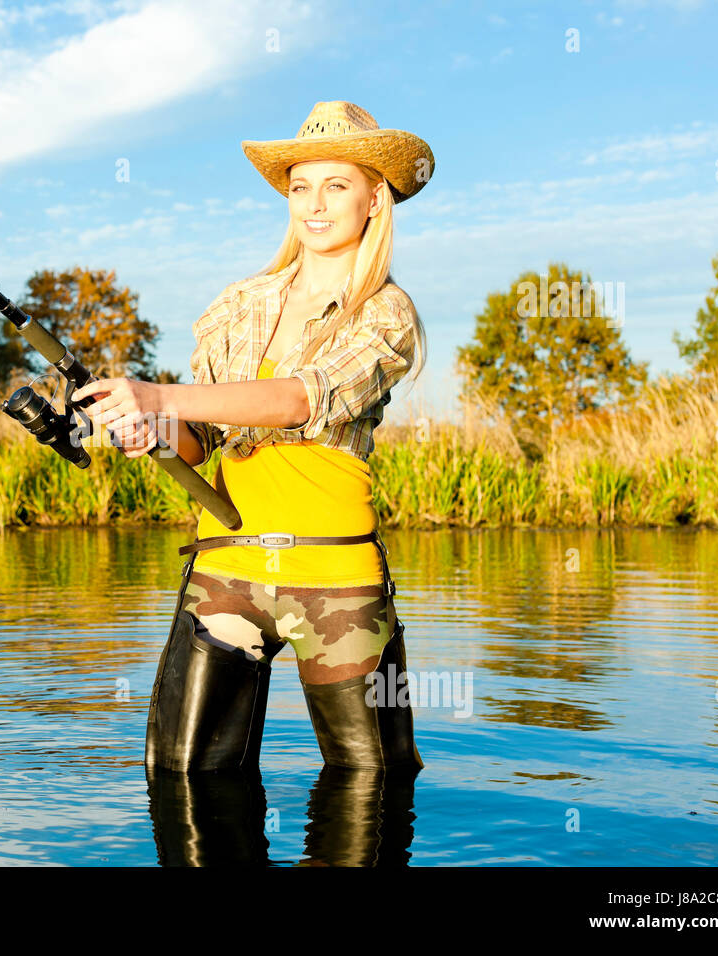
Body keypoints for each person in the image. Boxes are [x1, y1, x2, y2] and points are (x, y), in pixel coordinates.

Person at [71, 101, 433, 774]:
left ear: (375, 197)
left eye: (336, 185)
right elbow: (197, 440)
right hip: (226, 572)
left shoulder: (387, 311)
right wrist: (150, 426)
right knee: (181, 778)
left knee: (371, 787)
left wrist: (159, 395)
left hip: (337, 579)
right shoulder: (238, 304)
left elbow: (302, 399)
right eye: (301, 186)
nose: (314, 205)